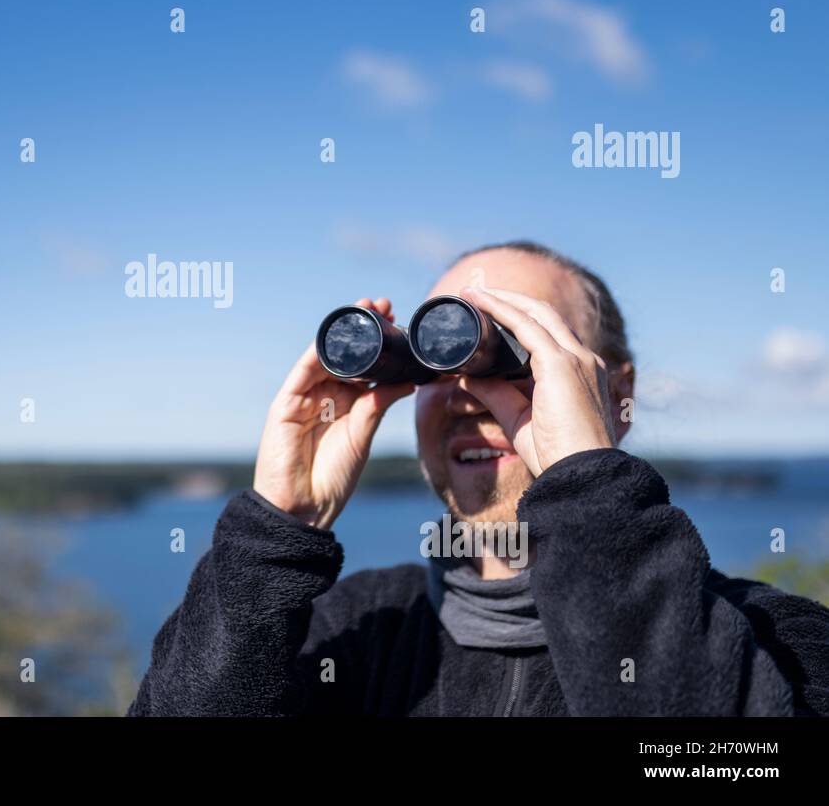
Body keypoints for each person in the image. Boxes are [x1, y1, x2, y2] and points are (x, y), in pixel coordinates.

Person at [128, 240, 829, 716]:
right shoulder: (347, 632)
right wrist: (277, 531)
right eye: (434, 365)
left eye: (509, 358)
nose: (465, 391)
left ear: (615, 393)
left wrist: (588, 480)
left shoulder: (781, 645)